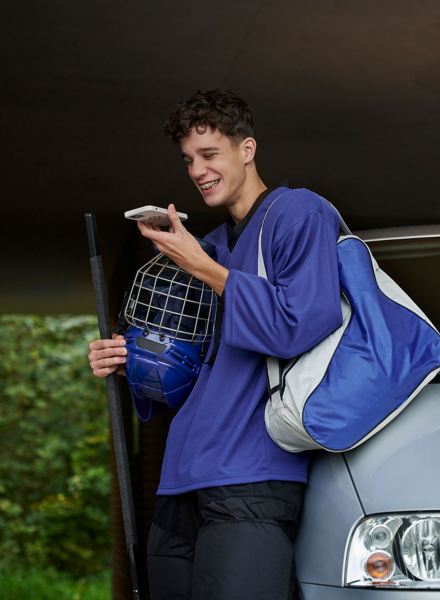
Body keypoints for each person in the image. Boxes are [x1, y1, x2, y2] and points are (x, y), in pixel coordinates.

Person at [87, 89, 343, 599]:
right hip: (181, 480)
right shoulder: (214, 245)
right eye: (188, 160)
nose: (197, 170)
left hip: (252, 477)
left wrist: (200, 265)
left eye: (209, 155)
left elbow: (300, 325)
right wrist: (127, 359)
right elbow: (183, 371)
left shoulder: (299, 213)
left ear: (246, 149)